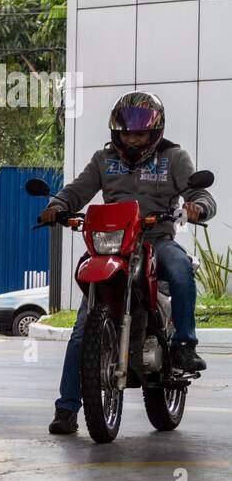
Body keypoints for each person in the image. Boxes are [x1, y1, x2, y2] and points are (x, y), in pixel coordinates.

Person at [41, 92, 216, 436]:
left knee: (180, 270)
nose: (132, 140)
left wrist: (198, 207)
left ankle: (184, 345)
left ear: (154, 133)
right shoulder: (103, 160)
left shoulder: (174, 157)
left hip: (156, 241)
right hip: (113, 248)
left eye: (139, 134)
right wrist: (57, 206)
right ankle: (66, 409)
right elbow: (76, 191)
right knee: (82, 328)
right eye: (125, 134)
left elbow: (201, 195)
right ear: (116, 132)